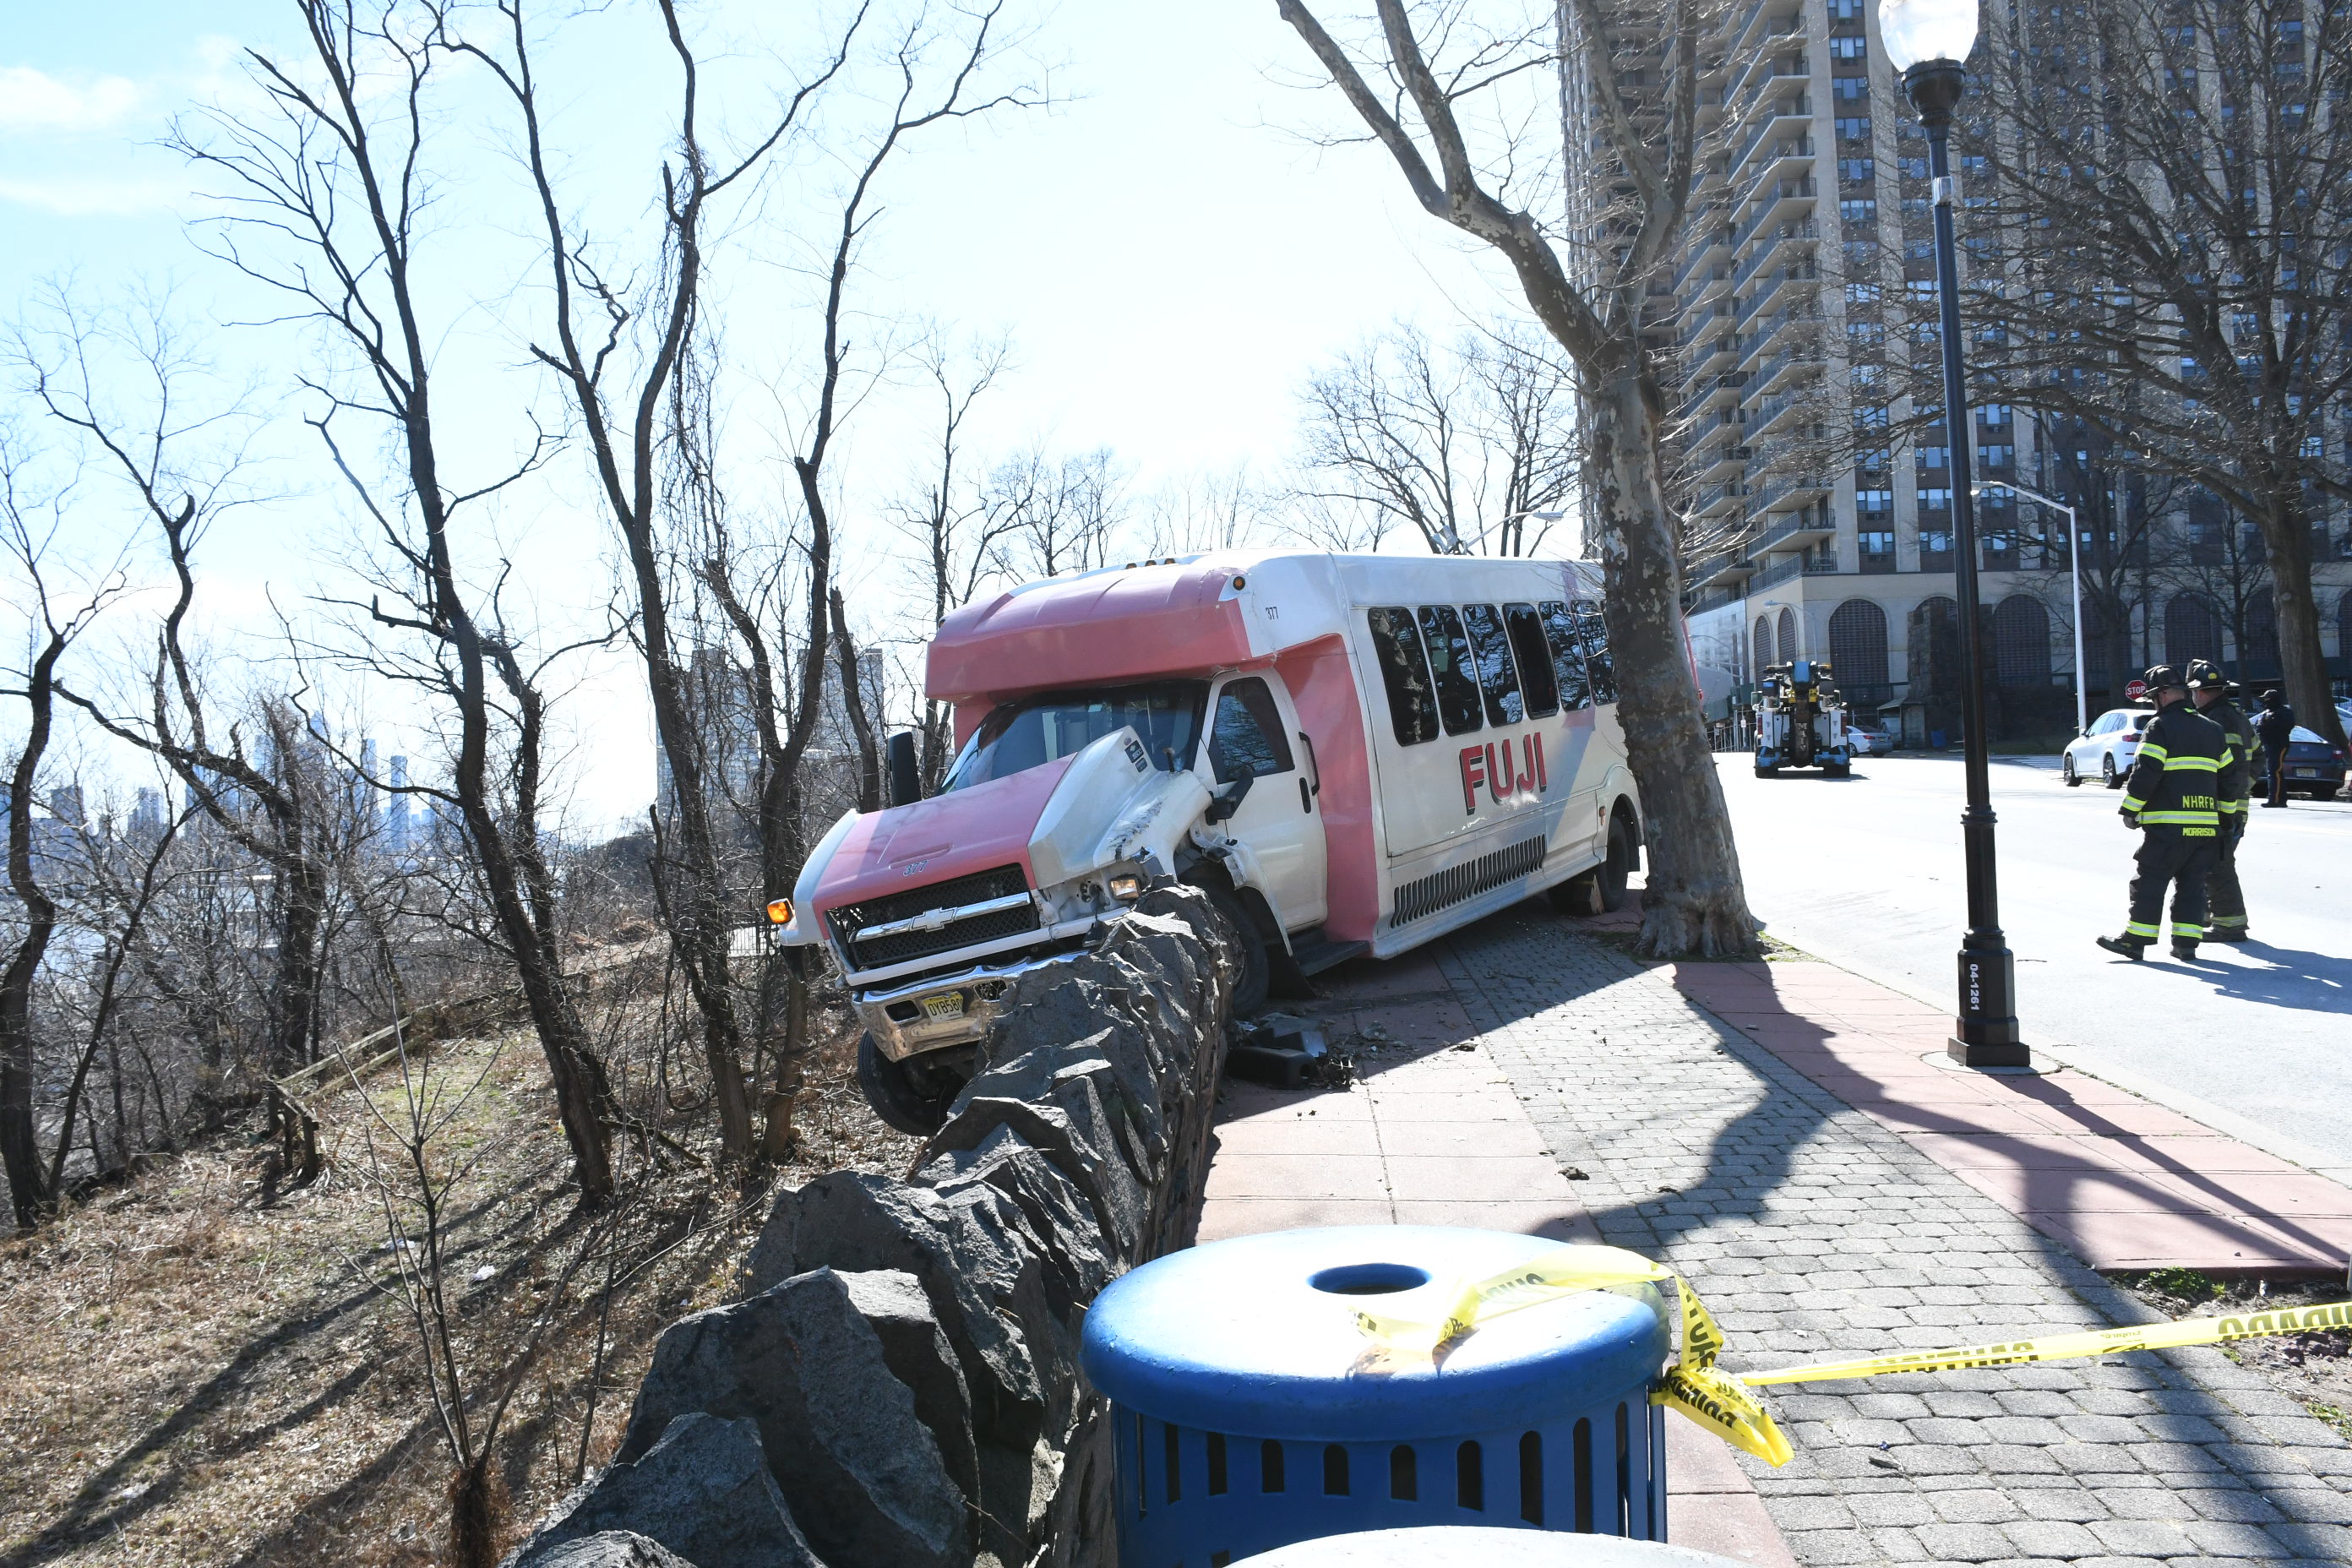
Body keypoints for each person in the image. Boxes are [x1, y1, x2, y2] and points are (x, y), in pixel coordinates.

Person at [2096, 665, 2246, 963]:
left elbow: (2146, 772)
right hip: (2205, 829)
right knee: (2191, 886)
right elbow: (2231, 779)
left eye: (2153, 698)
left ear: (2163, 696)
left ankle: (2136, 941)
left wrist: (2131, 810)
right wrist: (2225, 818)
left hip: (2167, 827)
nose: (2153, 704)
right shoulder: (2212, 729)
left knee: (2149, 881)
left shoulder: (2159, 727)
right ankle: (2186, 945)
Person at [2186, 661, 2255, 941]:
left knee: (2217, 863)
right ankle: (2201, 915)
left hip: (2222, 807)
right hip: (2232, 804)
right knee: (2203, 861)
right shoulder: (2236, 716)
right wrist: (2243, 792)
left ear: (2199, 692)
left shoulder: (2217, 720)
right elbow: (2257, 759)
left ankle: (2230, 925)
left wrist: (2225, 799)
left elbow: (2232, 767)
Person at [2257, 689, 2297, 807]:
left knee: (2274, 771)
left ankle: (2273, 799)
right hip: (2268, 745)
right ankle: (2281, 799)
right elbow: (2260, 728)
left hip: (2279, 745)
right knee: (2276, 771)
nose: (2265, 701)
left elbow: (2287, 726)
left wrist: (2271, 724)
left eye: (2267, 699)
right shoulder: (2265, 713)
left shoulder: (2285, 712)